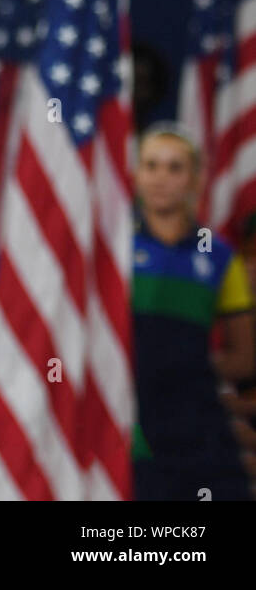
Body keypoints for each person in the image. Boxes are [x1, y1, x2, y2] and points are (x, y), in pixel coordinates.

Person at [131, 123, 254, 501]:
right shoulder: (112, 254)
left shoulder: (220, 258)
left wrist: (185, 369)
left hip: (198, 428)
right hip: (128, 425)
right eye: (151, 166)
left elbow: (245, 358)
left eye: (174, 167)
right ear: (136, 175)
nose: (161, 178)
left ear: (196, 179)